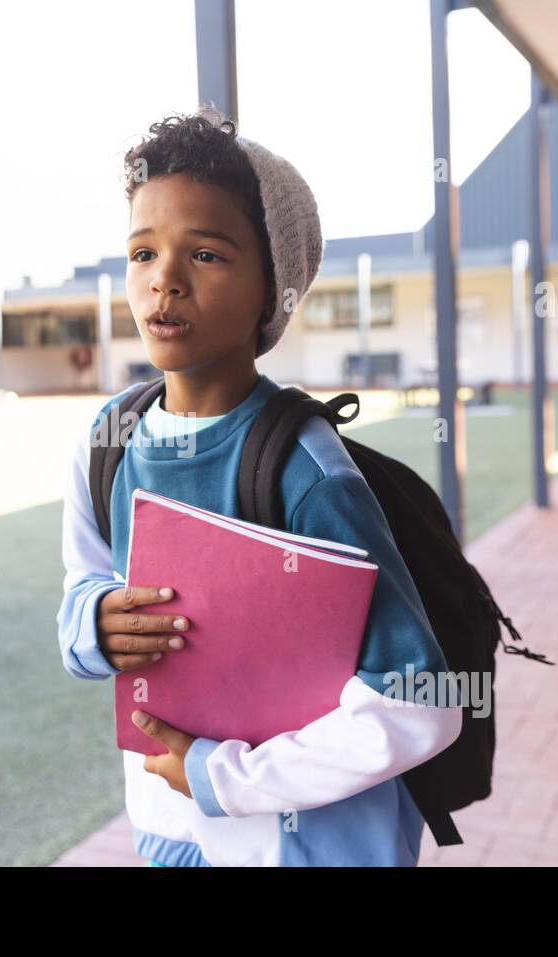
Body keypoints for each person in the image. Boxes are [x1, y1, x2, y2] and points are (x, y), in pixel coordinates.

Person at [55, 106, 462, 866]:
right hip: (171, 835)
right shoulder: (106, 442)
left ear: (272, 287)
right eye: (143, 252)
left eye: (205, 255)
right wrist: (96, 624)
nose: (164, 281)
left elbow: (421, 704)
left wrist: (226, 775)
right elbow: (80, 596)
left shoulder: (306, 471)